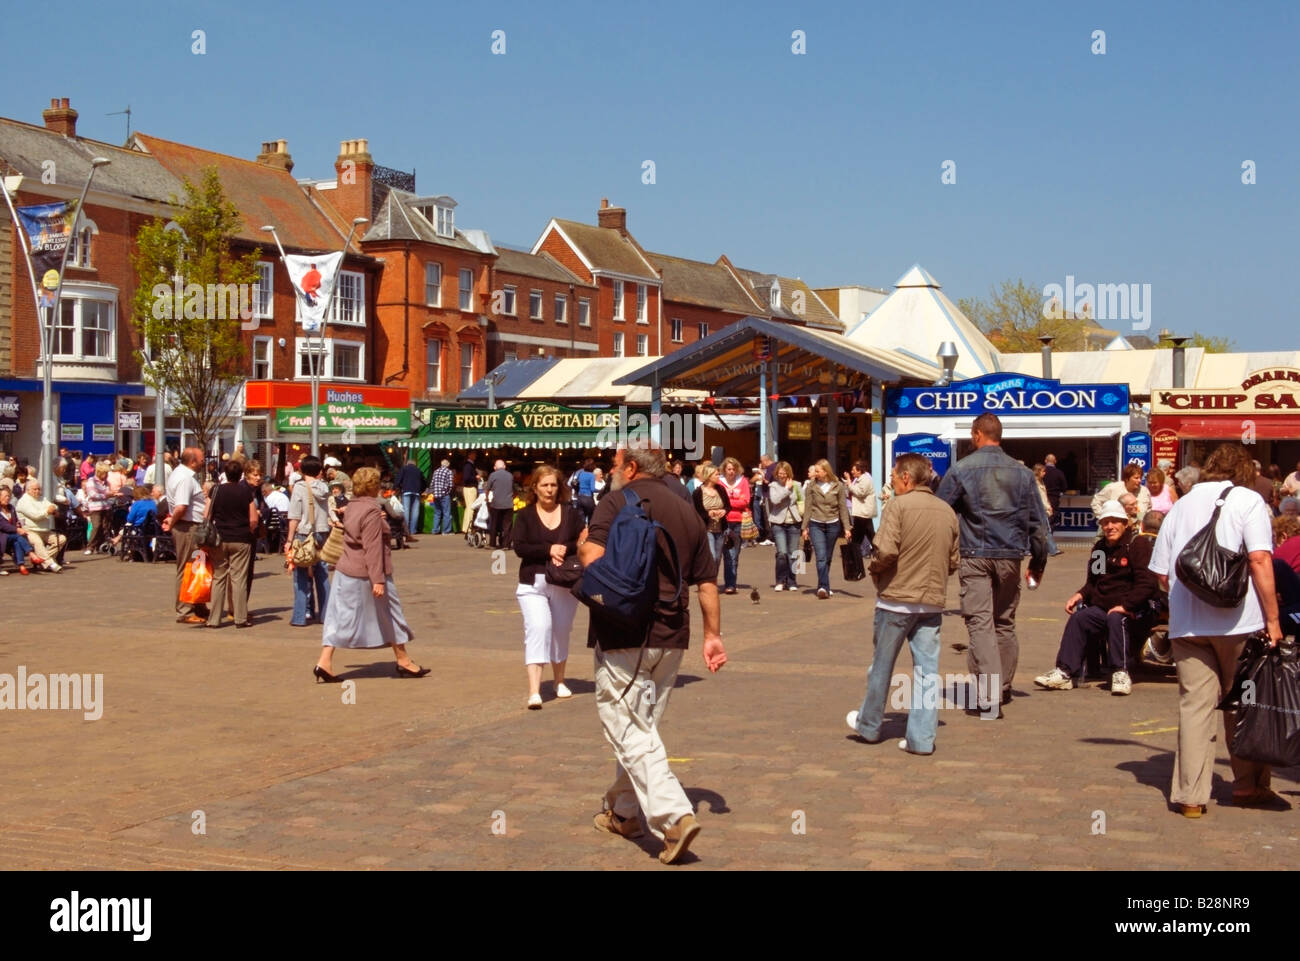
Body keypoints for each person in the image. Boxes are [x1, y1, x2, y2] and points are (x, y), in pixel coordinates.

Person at [579, 445, 726, 865]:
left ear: (631, 468)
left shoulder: (616, 501)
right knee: (641, 729)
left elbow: (593, 558)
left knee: (626, 729)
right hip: (672, 634)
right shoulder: (686, 510)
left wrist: (582, 544)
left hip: (625, 631)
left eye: (615, 464)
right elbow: (707, 582)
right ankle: (624, 814)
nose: (612, 471)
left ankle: (674, 816)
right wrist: (713, 635)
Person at [1148, 442, 1289, 817]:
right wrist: (1273, 621)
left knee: (1195, 706)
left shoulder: (1181, 505)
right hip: (1238, 621)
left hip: (1188, 624)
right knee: (1243, 702)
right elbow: (1259, 559)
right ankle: (1246, 786)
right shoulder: (1248, 501)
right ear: (1244, 470)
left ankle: (1191, 797)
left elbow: (1161, 572)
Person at [937, 413, 1049, 717]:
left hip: (975, 554)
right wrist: (1038, 561)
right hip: (1011, 555)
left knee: (980, 623)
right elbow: (1038, 523)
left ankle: (989, 694)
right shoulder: (1023, 473)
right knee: (1004, 621)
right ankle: (1002, 686)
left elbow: (941, 511)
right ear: (999, 435)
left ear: (976, 435)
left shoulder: (961, 469)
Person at [846, 453, 959, 754]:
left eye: (894, 477)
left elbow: (885, 550)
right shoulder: (946, 510)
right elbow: (953, 560)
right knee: (927, 672)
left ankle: (869, 726)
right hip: (931, 602)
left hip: (896, 600)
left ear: (906, 478)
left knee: (881, 667)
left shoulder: (897, 506)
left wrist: (875, 571)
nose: (892, 482)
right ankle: (921, 739)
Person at [1034, 500, 1162, 694]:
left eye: (1114, 522)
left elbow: (1147, 584)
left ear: (1125, 523)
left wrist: (1126, 605)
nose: (1109, 527)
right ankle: (1065, 672)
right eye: (1105, 522)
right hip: (1106, 607)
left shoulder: (1137, 544)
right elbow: (1093, 583)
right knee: (1080, 618)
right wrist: (1079, 594)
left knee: (1116, 617)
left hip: (1138, 608)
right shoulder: (1100, 549)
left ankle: (1120, 671)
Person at [314, 467, 427, 682]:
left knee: (340, 616)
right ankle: (403, 661)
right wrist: (378, 580)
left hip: (345, 570)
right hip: (367, 574)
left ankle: (324, 661)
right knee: (391, 614)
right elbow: (373, 549)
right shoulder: (372, 511)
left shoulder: (352, 507)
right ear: (374, 487)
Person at [513, 466, 585, 709]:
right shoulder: (524, 516)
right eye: (544, 485)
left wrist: (566, 549)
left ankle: (559, 681)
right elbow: (520, 547)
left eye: (553, 485)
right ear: (535, 488)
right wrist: (548, 550)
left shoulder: (571, 513)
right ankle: (534, 690)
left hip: (564, 582)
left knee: (561, 630)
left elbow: (581, 541)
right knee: (538, 627)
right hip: (533, 582)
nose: (549, 490)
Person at [205, 460, 259, 629]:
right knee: (239, 579)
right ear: (241, 474)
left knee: (218, 578)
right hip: (241, 538)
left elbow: (206, 514)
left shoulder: (216, 490)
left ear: (225, 473)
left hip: (220, 538)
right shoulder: (245, 492)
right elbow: (253, 519)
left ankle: (214, 619)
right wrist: (248, 530)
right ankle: (240, 617)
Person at [161, 447, 211, 624]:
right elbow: (181, 507)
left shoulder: (183, 475)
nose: (204, 460)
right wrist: (172, 522)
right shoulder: (185, 478)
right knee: (187, 568)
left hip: (191, 525)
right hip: (188, 527)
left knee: (198, 567)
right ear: (193, 461)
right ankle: (185, 609)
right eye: (201, 458)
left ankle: (197, 604)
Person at [285, 454, 331, 627]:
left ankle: (299, 616)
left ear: (301, 470)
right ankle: (326, 614)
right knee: (322, 574)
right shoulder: (325, 488)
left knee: (301, 576)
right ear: (319, 470)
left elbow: (294, 516)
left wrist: (289, 539)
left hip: (304, 533)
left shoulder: (300, 487)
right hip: (321, 532)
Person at [800, 459, 850, 599]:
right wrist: (805, 527)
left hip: (833, 524)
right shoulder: (811, 486)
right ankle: (823, 587)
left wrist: (847, 528)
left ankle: (823, 583)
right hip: (816, 524)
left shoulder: (838, 486)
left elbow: (843, 508)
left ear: (825, 471)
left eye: (817, 471)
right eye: (814, 471)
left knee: (827, 558)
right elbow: (808, 507)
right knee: (820, 557)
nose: (815, 473)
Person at [766, 461, 803, 591]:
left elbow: (802, 501)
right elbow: (775, 500)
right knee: (782, 553)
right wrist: (787, 489)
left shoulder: (797, 485)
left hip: (794, 522)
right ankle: (780, 580)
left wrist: (806, 523)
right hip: (778, 522)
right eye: (779, 473)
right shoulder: (773, 485)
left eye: (784, 473)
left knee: (793, 553)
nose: (781, 475)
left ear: (789, 473)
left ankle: (792, 581)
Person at [16, 479, 65, 570]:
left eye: (39, 489)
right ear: (28, 490)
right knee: (37, 542)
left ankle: (41, 560)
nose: (37, 491)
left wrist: (53, 509)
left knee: (61, 539)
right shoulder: (24, 501)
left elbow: (53, 506)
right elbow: (35, 515)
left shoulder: (42, 498)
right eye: (35, 489)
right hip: (30, 530)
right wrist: (47, 511)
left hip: (45, 530)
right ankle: (51, 564)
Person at [717, 457, 750, 595]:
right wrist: (736, 501)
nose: (731, 472)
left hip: (738, 521)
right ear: (724, 469)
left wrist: (729, 503)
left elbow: (746, 501)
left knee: (734, 554)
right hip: (723, 521)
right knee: (722, 554)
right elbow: (718, 501)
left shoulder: (743, 482)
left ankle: (731, 583)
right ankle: (722, 583)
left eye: (733, 469)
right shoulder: (719, 483)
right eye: (729, 469)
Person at [0, 485, 43, 573]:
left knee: (17, 541)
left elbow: (15, 521)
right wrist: (17, 529)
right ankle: (31, 554)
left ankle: (21, 566)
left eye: (8, 496)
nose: (7, 498)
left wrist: (18, 525)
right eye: (5, 496)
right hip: (2, 535)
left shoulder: (11, 508)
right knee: (17, 536)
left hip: (11, 535)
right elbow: (3, 526)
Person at [692, 463, 726, 562]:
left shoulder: (721, 489)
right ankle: (710, 576)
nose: (718, 476)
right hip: (706, 529)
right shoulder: (698, 492)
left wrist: (724, 511)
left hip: (720, 529)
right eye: (716, 474)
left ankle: (713, 577)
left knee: (718, 558)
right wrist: (708, 514)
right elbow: (695, 511)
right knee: (712, 557)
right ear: (709, 476)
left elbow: (728, 506)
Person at [842, 459, 877, 557]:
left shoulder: (865, 479)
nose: (852, 472)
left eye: (854, 470)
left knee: (860, 535)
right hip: (862, 512)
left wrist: (849, 483)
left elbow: (860, 492)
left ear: (859, 470)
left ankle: (855, 555)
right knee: (867, 533)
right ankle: (873, 551)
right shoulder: (860, 479)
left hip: (863, 512)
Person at [81, 460, 112, 554]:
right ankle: (90, 547)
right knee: (96, 526)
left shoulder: (106, 482)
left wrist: (112, 494)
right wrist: (106, 495)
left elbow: (107, 492)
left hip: (106, 507)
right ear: (99, 472)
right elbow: (92, 495)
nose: (106, 475)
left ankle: (101, 546)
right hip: (95, 508)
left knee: (105, 527)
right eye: (105, 473)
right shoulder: (91, 481)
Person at [1032, 464, 1062, 556]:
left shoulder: (1040, 482)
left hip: (1040, 509)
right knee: (1046, 530)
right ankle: (1052, 549)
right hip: (1040, 510)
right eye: (1043, 471)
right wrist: (1047, 507)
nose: (1045, 473)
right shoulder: (1036, 484)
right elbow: (1040, 497)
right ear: (1038, 471)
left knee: (1040, 530)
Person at [486, 458, 515, 549]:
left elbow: (488, 489)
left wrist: (487, 499)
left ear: (495, 467)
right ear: (505, 467)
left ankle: (492, 544)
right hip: (508, 504)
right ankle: (506, 544)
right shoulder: (510, 475)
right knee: (507, 525)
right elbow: (513, 489)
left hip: (496, 503)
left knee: (494, 524)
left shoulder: (492, 475)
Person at [395, 455, 424, 541]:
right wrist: (421, 490)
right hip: (417, 491)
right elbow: (424, 481)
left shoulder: (404, 469)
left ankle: (406, 530)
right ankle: (413, 530)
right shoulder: (418, 470)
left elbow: (398, 479)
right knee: (415, 510)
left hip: (406, 490)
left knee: (406, 510)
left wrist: (396, 487)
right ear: (415, 464)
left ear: (407, 463)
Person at [427, 459, 455, 534]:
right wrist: (447, 492)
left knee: (437, 513)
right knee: (446, 513)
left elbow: (432, 484)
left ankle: (435, 530)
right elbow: (451, 484)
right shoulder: (449, 472)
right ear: (448, 465)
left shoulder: (436, 471)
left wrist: (433, 492)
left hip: (436, 495)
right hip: (444, 495)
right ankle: (446, 531)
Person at [1042, 454, 1068, 520]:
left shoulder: (1040, 472)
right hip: (1054, 499)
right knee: (1052, 519)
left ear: (1045, 461)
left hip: (1041, 498)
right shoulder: (1059, 473)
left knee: (1041, 519)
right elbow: (1064, 487)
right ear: (1055, 461)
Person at [573, 458, 597, 523]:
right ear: (592, 466)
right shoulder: (592, 475)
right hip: (588, 499)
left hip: (580, 498)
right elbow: (592, 489)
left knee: (581, 520)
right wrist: (600, 490)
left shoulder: (581, 473)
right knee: (591, 519)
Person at [460, 452, 480, 533]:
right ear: (469, 455)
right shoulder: (468, 465)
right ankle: (468, 527)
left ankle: (466, 527)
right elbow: (466, 478)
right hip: (470, 488)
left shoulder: (469, 465)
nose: (475, 456)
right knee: (471, 508)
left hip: (469, 488)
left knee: (469, 508)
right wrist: (476, 477)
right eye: (474, 454)